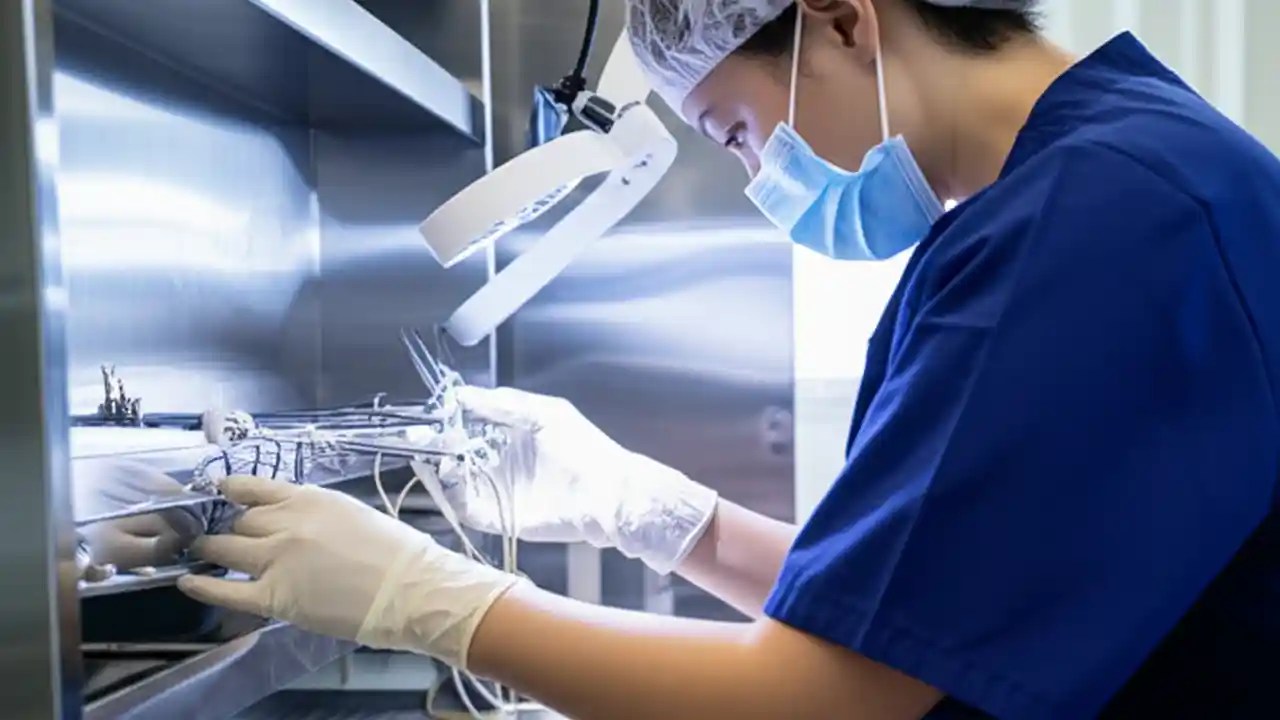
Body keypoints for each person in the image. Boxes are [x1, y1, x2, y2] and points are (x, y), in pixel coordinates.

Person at [177, 0, 1280, 717]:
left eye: (735, 134)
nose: (762, 182)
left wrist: (432, 599)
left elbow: (826, 702)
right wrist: (660, 515)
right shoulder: (1114, 182)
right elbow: (930, 607)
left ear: (843, 22)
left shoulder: (1093, 225)